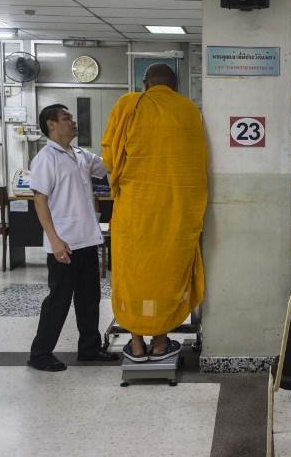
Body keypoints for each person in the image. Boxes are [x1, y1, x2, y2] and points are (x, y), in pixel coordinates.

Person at [102, 64, 208, 363]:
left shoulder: (129, 105)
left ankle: (136, 345)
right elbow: (198, 165)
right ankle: (161, 344)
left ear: (146, 84)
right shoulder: (188, 111)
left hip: (135, 212)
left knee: (134, 272)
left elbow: (111, 157)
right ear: (175, 86)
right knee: (167, 271)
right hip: (176, 213)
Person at [27, 104, 119, 372]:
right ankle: (40, 353)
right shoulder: (46, 158)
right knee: (58, 300)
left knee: (89, 299)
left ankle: (89, 349)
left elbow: (107, 166)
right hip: (64, 243)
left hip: (87, 240)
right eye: (66, 118)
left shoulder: (79, 154)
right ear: (51, 124)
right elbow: (40, 201)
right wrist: (54, 240)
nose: (73, 122)